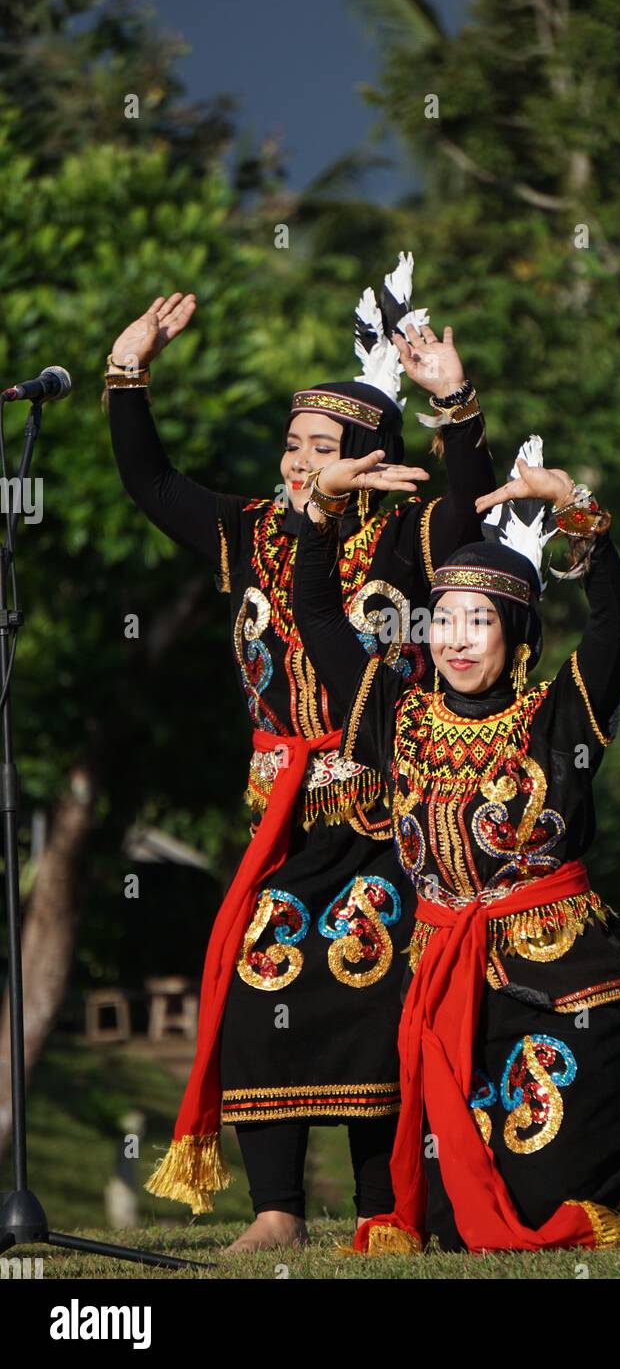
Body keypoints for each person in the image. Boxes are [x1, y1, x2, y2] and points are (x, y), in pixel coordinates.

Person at [105, 263, 497, 1250]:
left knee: (376, 1005)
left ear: (369, 458)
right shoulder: (246, 531)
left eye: (322, 449)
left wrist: (454, 403)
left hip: (374, 813)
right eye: (291, 445)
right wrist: (125, 372)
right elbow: (149, 481)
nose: (298, 461)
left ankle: (381, 1215)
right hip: (280, 816)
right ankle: (276, 1211)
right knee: (258, 988)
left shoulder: (408, 536)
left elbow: (471, 499)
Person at [290, 440, 620, 1253]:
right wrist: (318, 510)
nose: (457, 640)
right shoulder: (397, 712)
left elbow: (617, 620)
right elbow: (320, 616)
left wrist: (575, 503)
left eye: (480, 620)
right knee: (446, 1223)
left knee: (545, 1213)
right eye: (444, 620)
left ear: (518, 632)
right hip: (445, 986)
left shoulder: (559, 714)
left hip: (560, 981)